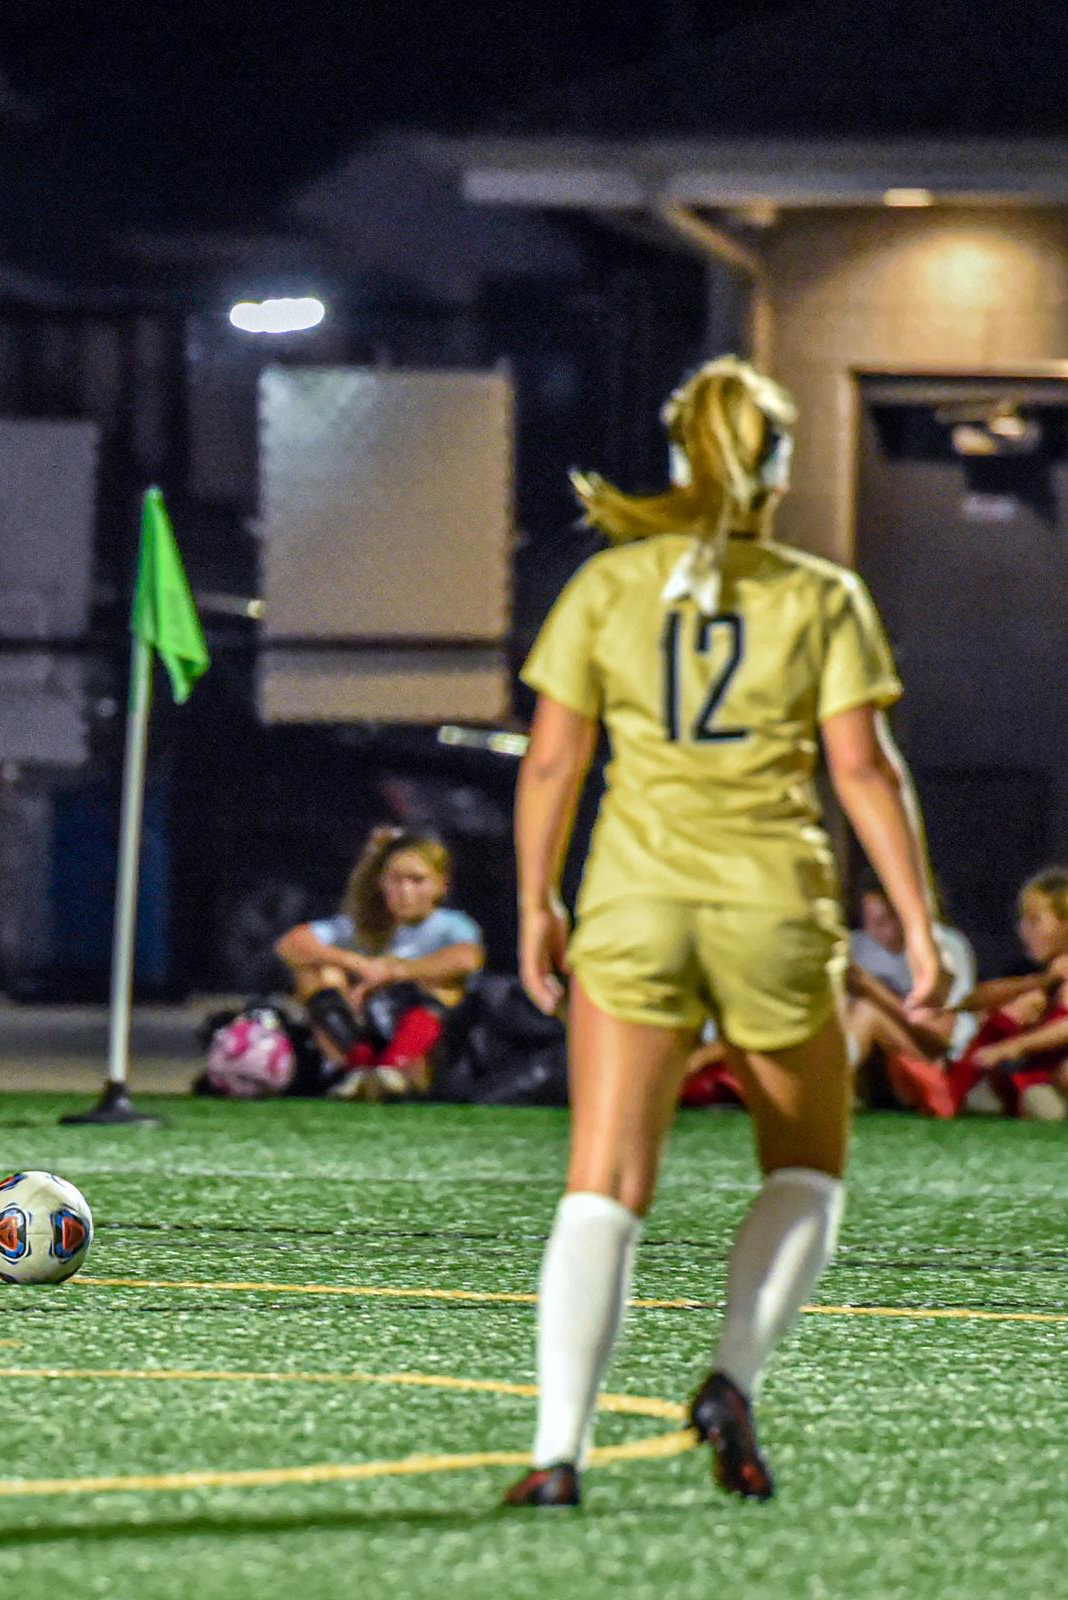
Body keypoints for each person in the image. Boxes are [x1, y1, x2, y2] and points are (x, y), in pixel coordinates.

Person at [503, 357, 947, 1509]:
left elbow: (553, 758)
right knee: (804, 1170)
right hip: (770, 907)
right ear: (779, 469)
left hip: (633, 899)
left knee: (601, 1181)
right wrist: (914, 921)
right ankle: (729, 1378)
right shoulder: (818, 593)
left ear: (673, 458)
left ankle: (556, 1457)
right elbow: (860, 767)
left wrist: (533, 903)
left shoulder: (609, 584)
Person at [275, 828, 484, 1098]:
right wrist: (359, 965)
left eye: (417, 881)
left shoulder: (451, 926)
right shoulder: (366, 928)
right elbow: (292, 944)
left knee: (443, 983)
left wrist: (393, 972)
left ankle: (394, 1069)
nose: (405, 891)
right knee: (319, 970)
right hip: (370, 1027)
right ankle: (358, 1069)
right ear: (381, 883)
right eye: (396, 880)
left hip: (429, 1043)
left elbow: (467, 959)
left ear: (440, 885)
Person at [941, 868, 1068, 1121]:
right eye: (1022, 920)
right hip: (1025, 1081)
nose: (1023, 930)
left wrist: (1014, 1046)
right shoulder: (1034, 975)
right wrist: (1039, 982)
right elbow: (970, 1001)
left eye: (1034, 920)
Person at [841, 881, 976, 1114]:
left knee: (867, 1012)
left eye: (885, 920)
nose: (878, 930)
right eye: (871, 921)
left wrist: (872, 988)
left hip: (932, 1059)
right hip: (875, 1066)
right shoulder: (857, 946)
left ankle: (824, 1082)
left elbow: (945, 1034)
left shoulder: (942, 947)